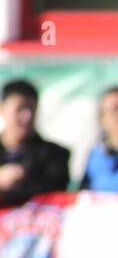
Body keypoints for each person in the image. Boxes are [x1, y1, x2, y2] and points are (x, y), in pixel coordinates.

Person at [0, 79, 70, 207]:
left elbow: (53, 194)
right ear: (2, 109)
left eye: (31, 109)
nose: (27, 117)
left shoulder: (56, 155)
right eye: (20, 109)